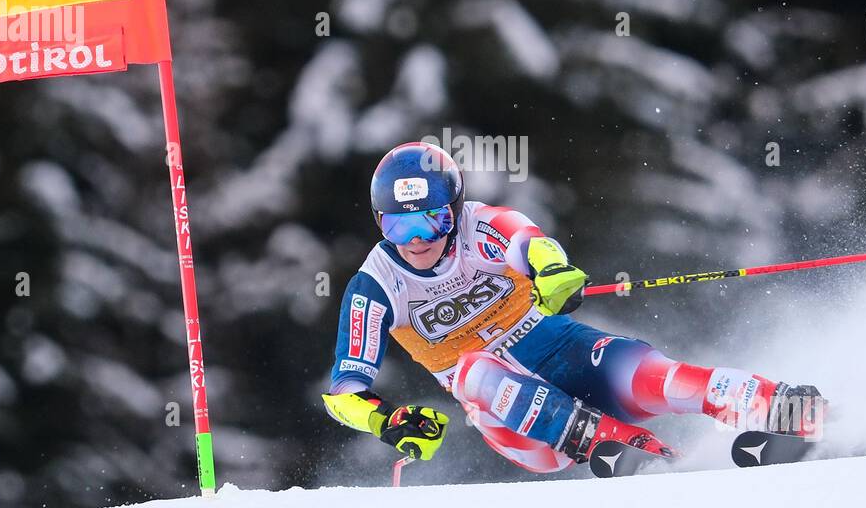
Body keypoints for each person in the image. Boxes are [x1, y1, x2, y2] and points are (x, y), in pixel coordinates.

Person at [322, 142, 824, 472]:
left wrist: (555, 274)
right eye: (397, 227)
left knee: (661, 377)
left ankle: (797, 411)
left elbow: (533, 243)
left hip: (559, 349)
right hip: (522, 426)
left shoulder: (481, 225)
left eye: (430, 222)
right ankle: (649, 454)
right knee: (473, 370)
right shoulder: (377, 283)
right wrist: (387, 421)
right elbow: (344, 391)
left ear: (453, 213)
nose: (415, 241)